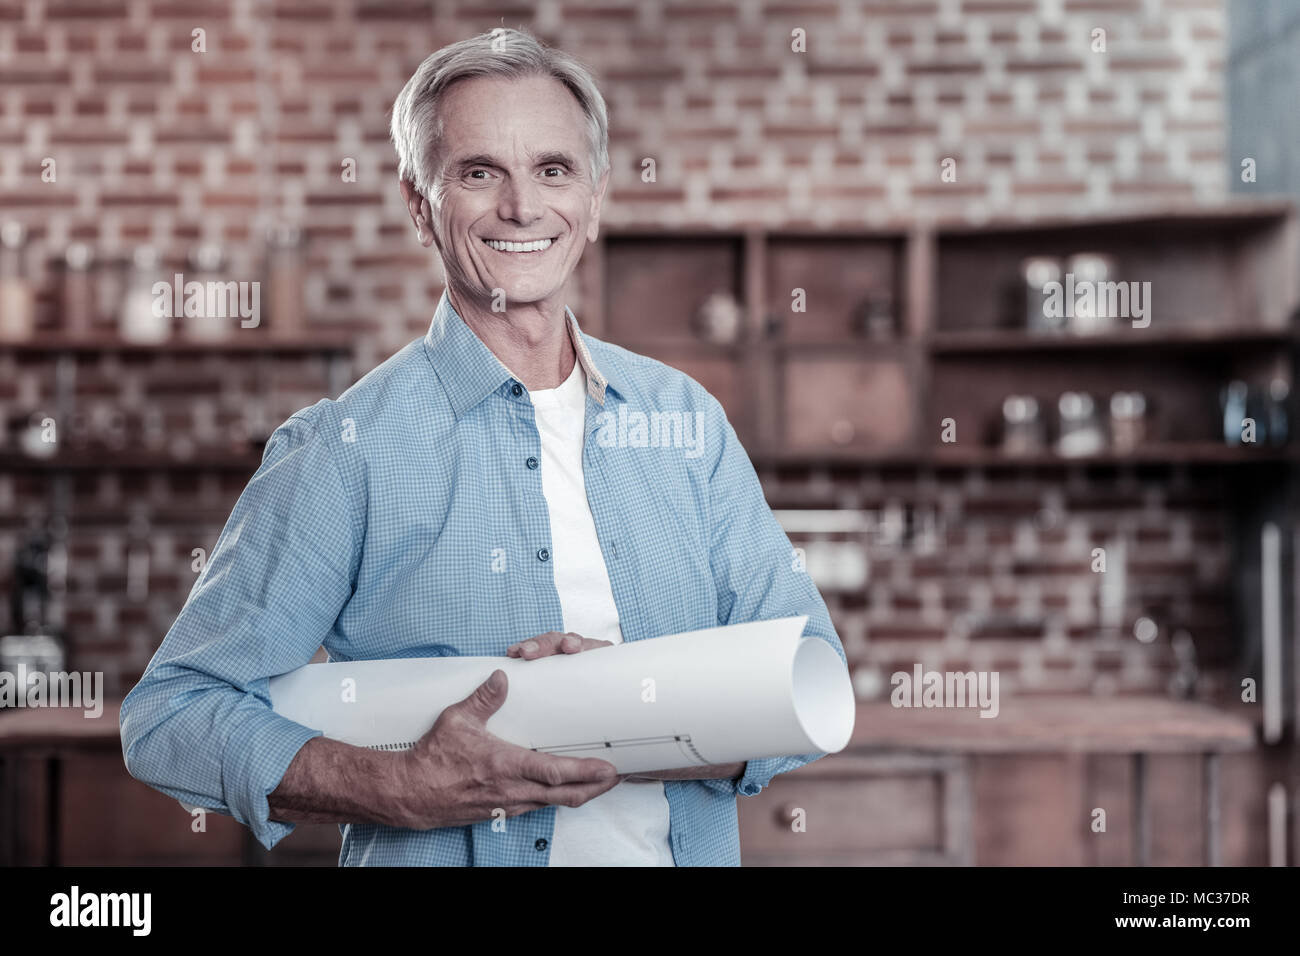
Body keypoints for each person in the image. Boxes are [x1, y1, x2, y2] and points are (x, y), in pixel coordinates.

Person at [119, 27, 847, 867]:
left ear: (596, 199)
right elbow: (170, 716)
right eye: (478, 173)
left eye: (553, 169)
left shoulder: (686, 424)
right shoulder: (344, 448)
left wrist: (644, 709)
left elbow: (811, 670)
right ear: (418, 204)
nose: (522, 207)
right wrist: (397, 786)